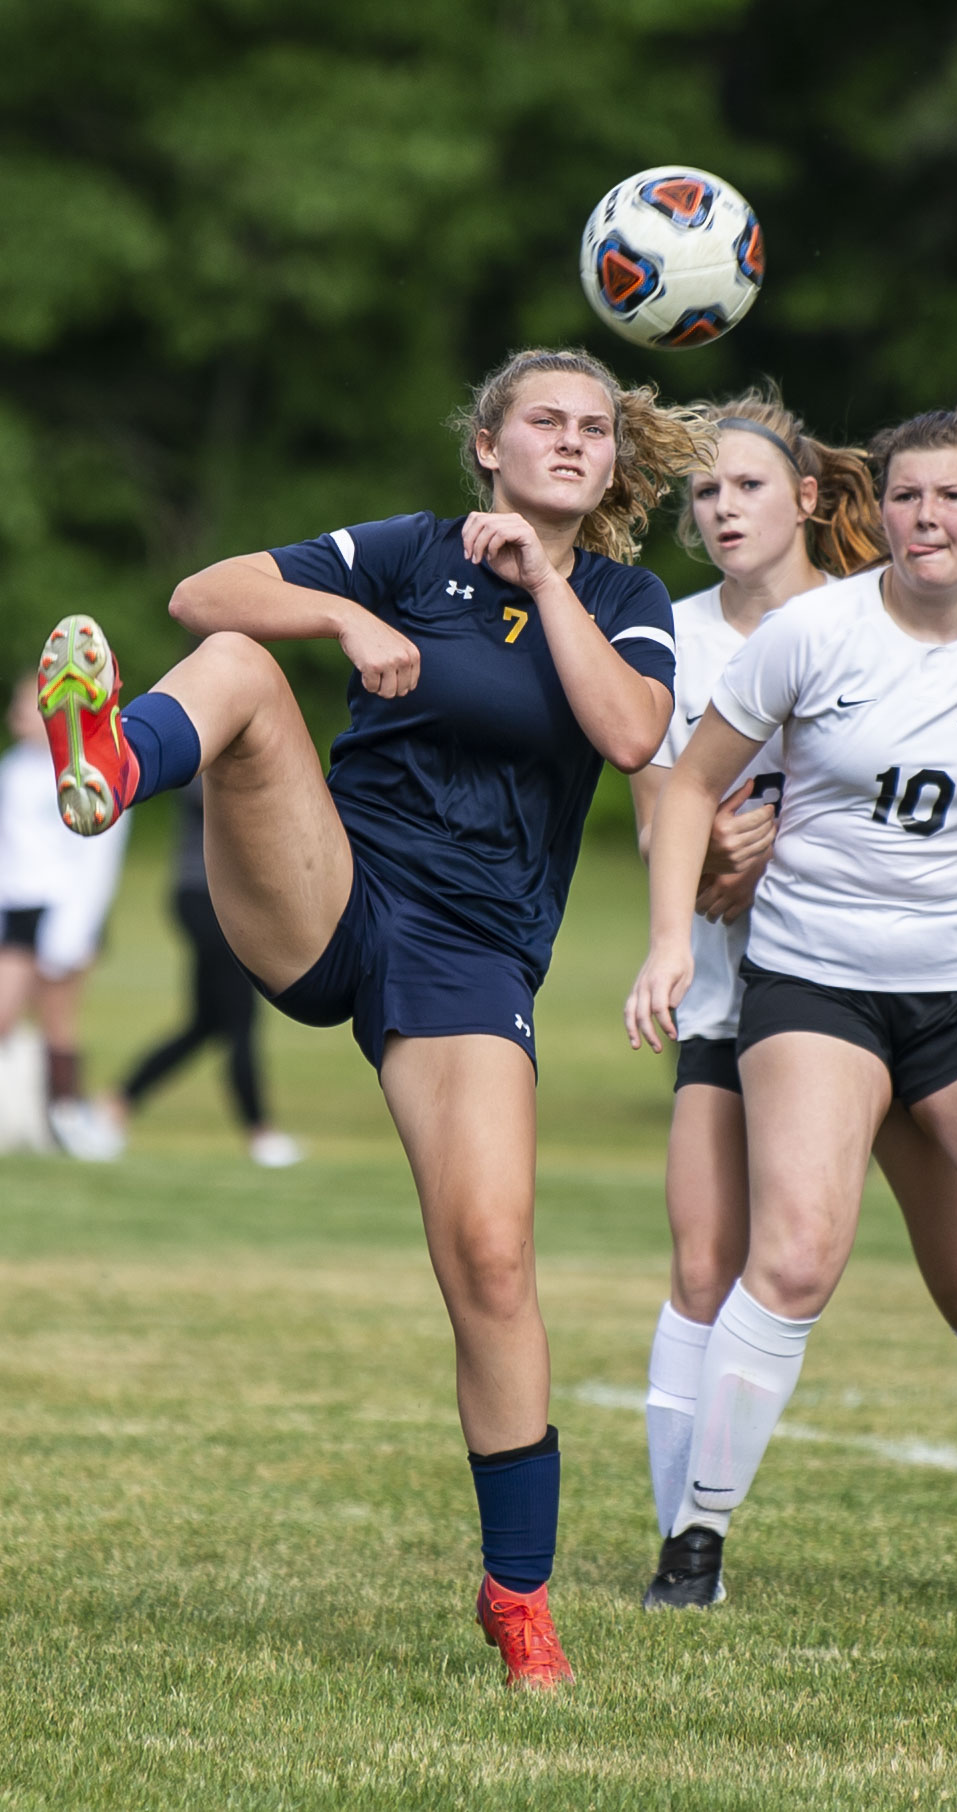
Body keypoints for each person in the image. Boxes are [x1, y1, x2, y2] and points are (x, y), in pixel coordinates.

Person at [36, 346, 709, 1688]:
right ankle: (112, 762)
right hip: (331, 886)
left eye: (592, 428)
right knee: (237, 655)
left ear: (611, 463)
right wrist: (343, 620)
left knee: (492, 1261)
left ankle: (517, 1598)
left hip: (470, 959)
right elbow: (199, 590)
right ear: (488, 446)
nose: (570, 441)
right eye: (542, 423)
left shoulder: (628, 597)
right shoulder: (409, 551)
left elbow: (632, 733)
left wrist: (541, 579)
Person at [627, 397, 957, 1621]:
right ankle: (692, 1551)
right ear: (884, 511)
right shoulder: (812, 634)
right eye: (908, 494)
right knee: (794, 1256)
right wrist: (667, 947)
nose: (926, 516)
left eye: (953, 496)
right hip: (816, 979)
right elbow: (690, 790)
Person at [97, 779, 303, 1167]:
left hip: (221, 901)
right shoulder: (211, 760)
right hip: (207, 898)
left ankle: (116, 1104)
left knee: (205, 1024)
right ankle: (261, 1134)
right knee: (242, 1019)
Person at [0, 673, 130, 1159]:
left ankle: (67, 1119)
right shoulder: (11, 770)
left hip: (65, 911)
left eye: (26, 708)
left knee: (59, 1023)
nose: (17, 716)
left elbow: (98, 856)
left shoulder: (80, 771)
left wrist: (73, 929)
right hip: (17, 911)